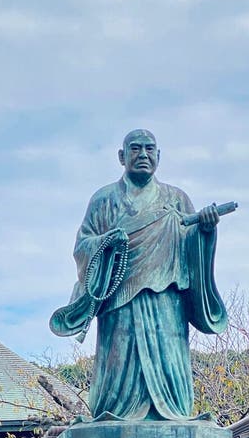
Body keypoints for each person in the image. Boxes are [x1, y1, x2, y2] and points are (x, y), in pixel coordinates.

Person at [50, 129, 229, 421]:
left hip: (167, 300)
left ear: (158, 156)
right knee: (118, 364)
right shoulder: (104, 199)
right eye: (135, 148)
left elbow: (191, 247)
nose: (143, 154)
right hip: (119, 300)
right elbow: (82, 246)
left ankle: (172, 413)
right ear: (122, 156)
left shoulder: (176, 198)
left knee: (169, 358)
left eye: (149, 148)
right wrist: (107, 242)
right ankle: (114, 412)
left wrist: (205, 230)